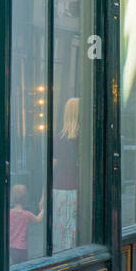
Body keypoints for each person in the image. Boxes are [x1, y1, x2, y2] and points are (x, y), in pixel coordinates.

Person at [51, 97, 79, 251]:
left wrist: (44, 193)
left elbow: (53, 168)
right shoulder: (85, 139)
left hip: (60, 188)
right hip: (77, 188)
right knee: (74, 229)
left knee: (60, 230)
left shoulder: (58, 138)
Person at [9, 183, 44, 264]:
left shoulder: (9, 213)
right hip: (22, 247)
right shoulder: (27, 214)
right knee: (23, 265)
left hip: (11, 246)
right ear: (25, 199)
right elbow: (38, 220)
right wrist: (43, 209)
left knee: (14, 264)